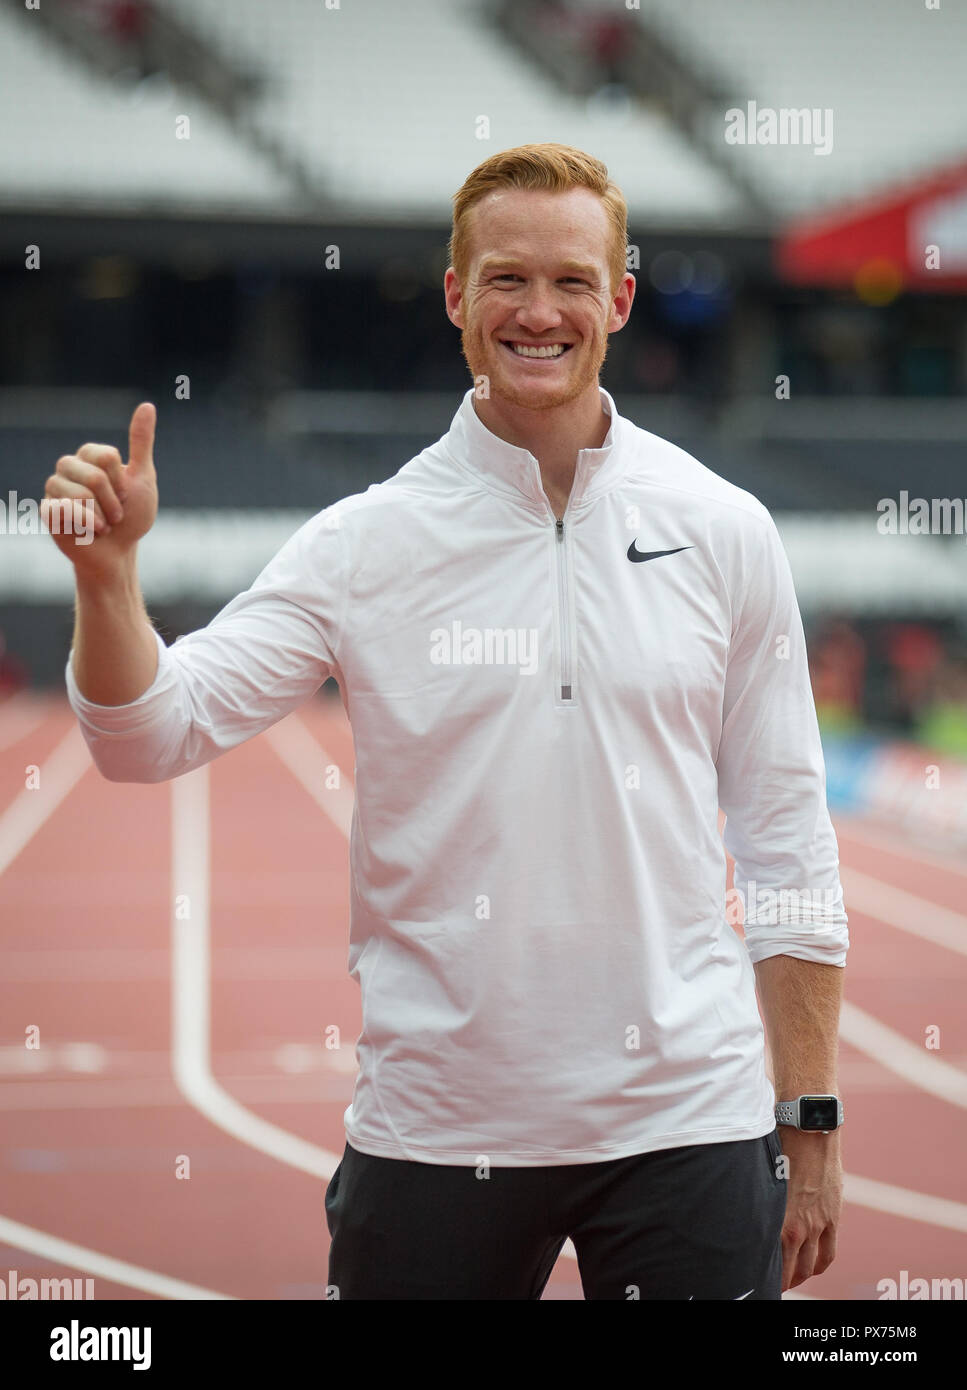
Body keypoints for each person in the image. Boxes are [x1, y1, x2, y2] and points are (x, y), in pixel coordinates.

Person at [43, 143, 848, 1301]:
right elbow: (147, 736)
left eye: (573, 281)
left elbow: (786, 837)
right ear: (455, 296)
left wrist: (807, 1117)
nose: (539, 311)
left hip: (689, 1123)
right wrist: (108, 582)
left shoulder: (724, 530)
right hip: (439, 1128)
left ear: (618, 300)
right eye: (507, 279)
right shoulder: (365, 542)